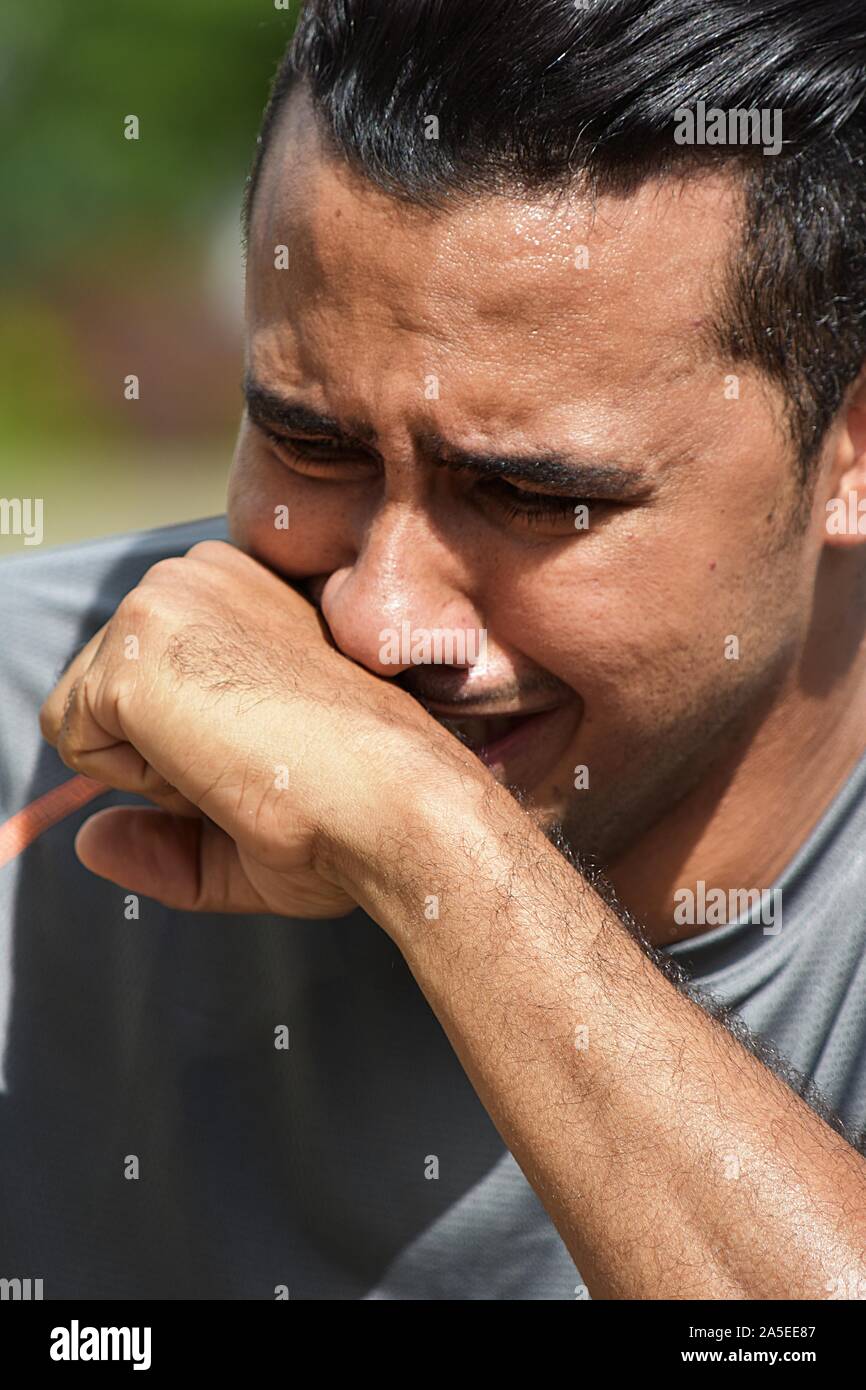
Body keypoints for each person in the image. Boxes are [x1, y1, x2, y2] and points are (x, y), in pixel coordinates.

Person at [2, 0, 866, 1300]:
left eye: (532, 497)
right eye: (308, 445)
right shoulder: (32, 714)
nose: (377, 620)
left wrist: (433, 842)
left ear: (846, 451)